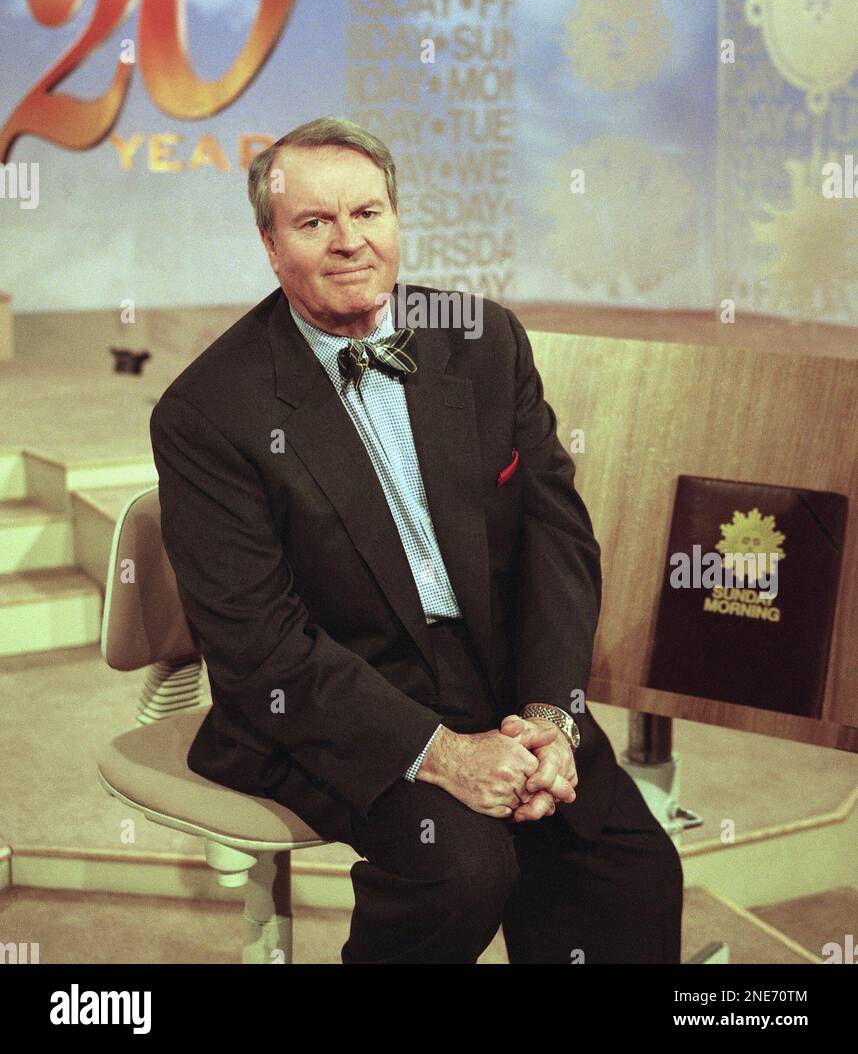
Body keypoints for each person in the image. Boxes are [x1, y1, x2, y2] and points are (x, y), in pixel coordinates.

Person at [149, 116, 683, 964]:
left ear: (397, 220)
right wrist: (442, 755)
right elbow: (260, 649)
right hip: (338, 693)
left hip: (499, 675)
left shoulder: (482, 337)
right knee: (463, 870)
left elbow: (557, 543)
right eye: (314, 222)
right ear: (269, 241)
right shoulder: (208, 411)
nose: (349, 242)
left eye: (368, 213)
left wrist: (550, 715)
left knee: (626, 865)